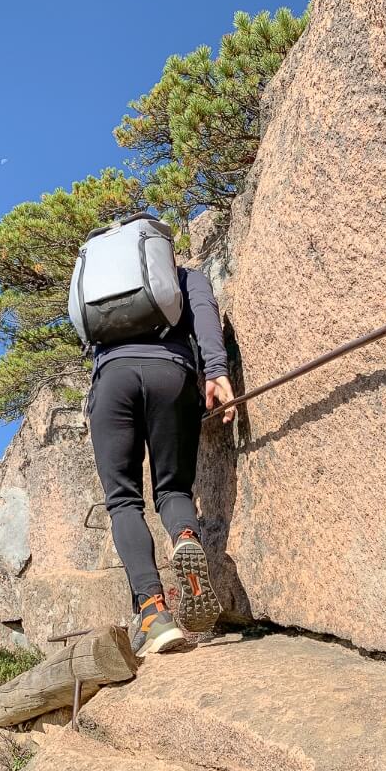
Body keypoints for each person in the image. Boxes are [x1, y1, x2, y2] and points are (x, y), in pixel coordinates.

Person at [86, 264, 235, 656]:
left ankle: (154, 614)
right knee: (172, 488)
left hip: (112, 378)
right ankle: (185, 537)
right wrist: (216, 372)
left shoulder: (103, 283)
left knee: (122, 501)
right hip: (172, 373)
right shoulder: (183, 277)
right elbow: (204, 316)